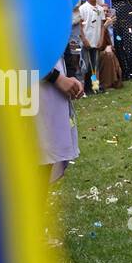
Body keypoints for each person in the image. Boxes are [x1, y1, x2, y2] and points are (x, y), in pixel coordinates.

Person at [36, 53, 82, 183]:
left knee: (47, 153)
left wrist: (69, 77)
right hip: (32, 92)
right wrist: (56, 78)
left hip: (51, 95)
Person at [76, 0, 105, 95]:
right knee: (85, 66)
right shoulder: (83, 9)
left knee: (95, 66)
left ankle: (95, 87)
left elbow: (102, 26)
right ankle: (82, 89)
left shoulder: (100, 9)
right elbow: (80, 26)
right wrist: (84, 40)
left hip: (96, 41)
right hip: (86, 42)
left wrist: (101, 39)